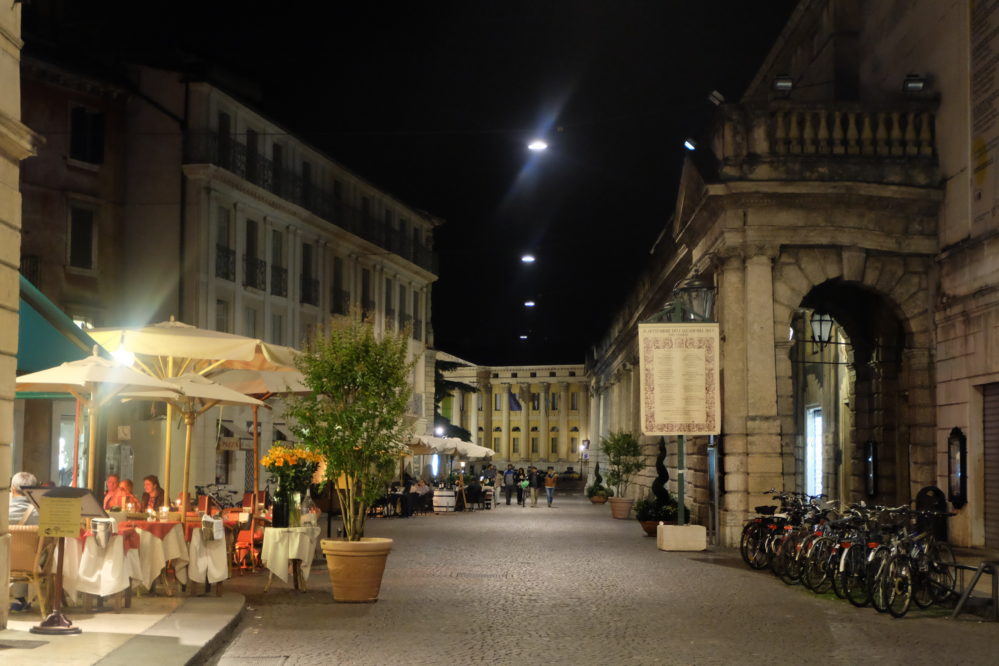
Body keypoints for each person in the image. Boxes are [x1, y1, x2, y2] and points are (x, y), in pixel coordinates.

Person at [8, 471, 38, 612]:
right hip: (32, 563)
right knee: (30, 551)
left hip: (3, 561)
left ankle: (18, 598)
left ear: (12, 489)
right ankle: (21, 598)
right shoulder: (41, 513)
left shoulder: (2, 510)